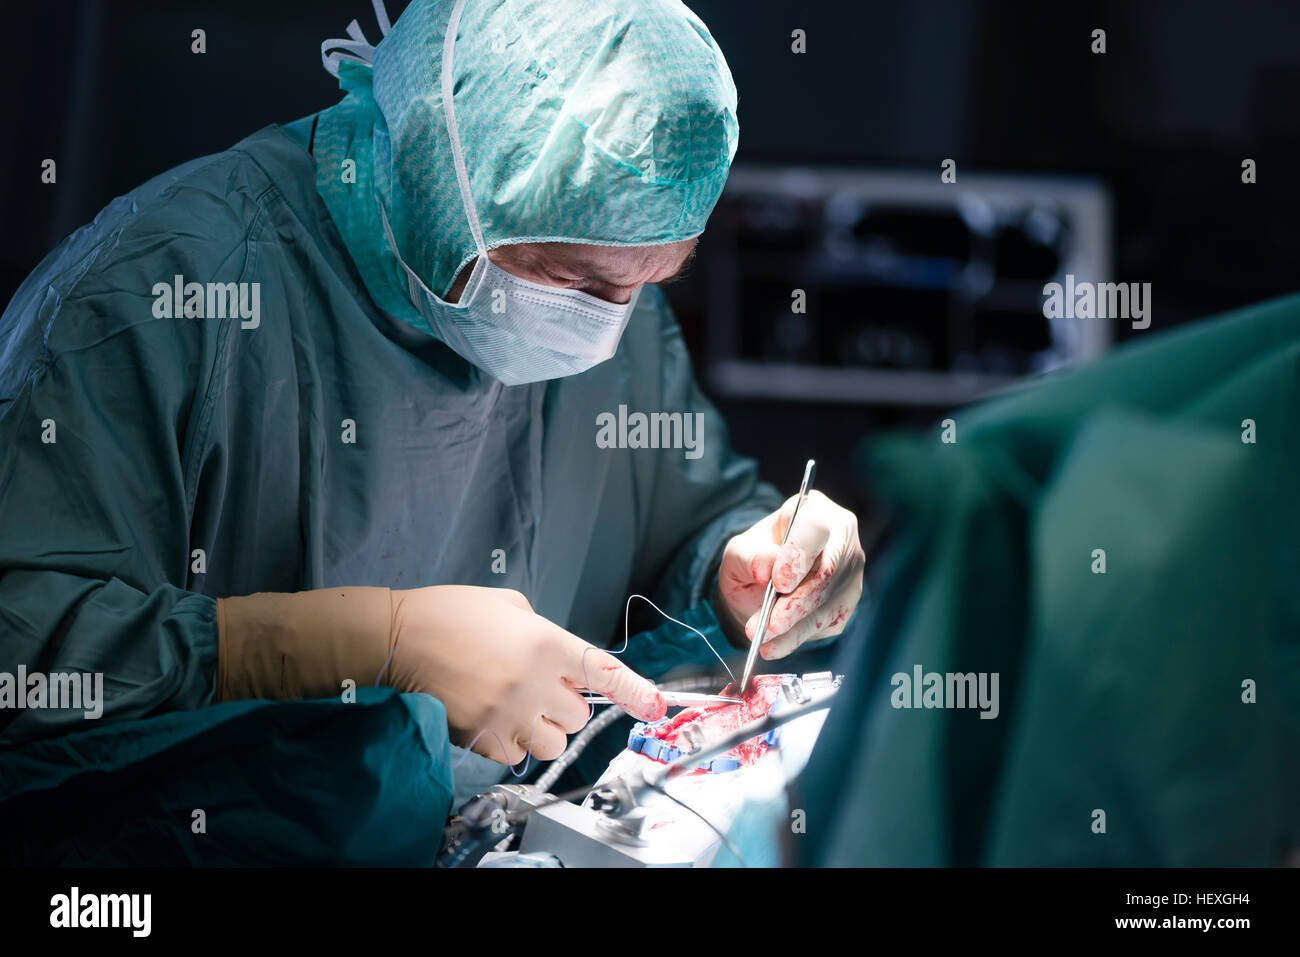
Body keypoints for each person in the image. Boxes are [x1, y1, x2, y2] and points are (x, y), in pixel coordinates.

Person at [0, 0, 865, 806]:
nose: (604, 323)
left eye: (647, 281)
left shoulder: (609, 301)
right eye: (572, 279)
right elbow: (25, 653)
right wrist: (361, 644)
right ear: (438, 168)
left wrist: (743, 567)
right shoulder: (163, 291)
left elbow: (684, 518)